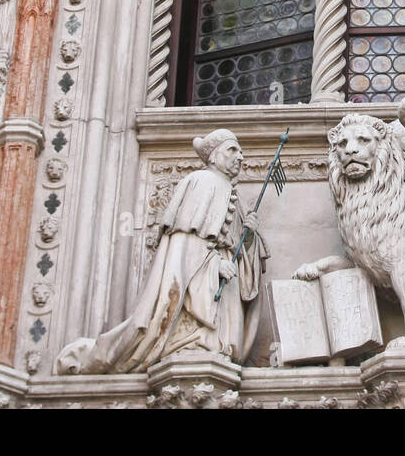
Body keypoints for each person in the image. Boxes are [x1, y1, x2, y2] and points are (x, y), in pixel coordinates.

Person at [55, 129, 269, 373]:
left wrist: (249, 236)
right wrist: (214, 265)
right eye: (232, 150)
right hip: (203, 279)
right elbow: (185, 242)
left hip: (225, 281)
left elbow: (237, 248)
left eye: (241, 151)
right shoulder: (201, 182)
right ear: (213, 156)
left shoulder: (231, 193)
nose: (240, 156)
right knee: (197, 342)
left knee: (220, 347)